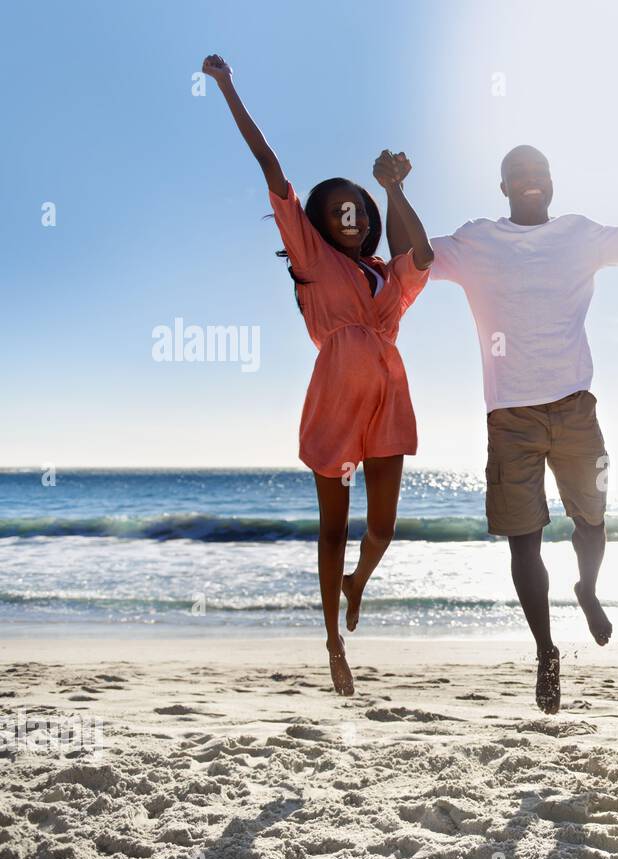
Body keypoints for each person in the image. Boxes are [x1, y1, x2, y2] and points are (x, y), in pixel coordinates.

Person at [383, 136, 618, 713]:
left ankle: (587, 586)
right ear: (503, 186)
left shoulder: (580, 235)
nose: (530, 177)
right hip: (509, 415)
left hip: (575, 406)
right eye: (518, 171)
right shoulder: (477, 239)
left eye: (540, 169)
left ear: (553, 182)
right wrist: (394, 191)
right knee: (523, 539)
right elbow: (412, 257)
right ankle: (545, 651)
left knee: (593, 519)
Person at [203, 54, 434, 696]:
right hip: (335, 393)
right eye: (336, 207)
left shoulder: (388, 275)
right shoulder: (311, 259)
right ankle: (334, 642)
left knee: (381, 529)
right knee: (332, 527)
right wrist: (228, 87)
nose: (348, 212)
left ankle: (360, 583)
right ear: (320, 222)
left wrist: (391, 185)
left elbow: (426, 254)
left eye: (356, 205)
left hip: (389, 393)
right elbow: (272, 170)